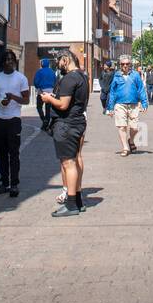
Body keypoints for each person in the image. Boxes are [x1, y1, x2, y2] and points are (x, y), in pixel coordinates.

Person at [40, 51, 89, 216]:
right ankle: (78, 200)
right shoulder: (82, 77)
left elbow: (63, 105)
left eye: (58, 61)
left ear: (66, 60)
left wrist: (48, 99)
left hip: (66, 125)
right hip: (77, 122)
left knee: (68, 163)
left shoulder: (69, 78)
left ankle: (71, 204)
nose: (57, 64)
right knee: (74, 161)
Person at [0, 49, 29, 197]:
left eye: (11, 59)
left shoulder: (21, 78)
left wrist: (13, 97)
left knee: (14, 153)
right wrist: (0, 102)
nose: (8, 62)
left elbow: (26, 100)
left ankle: (14, 184)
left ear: (15, 61)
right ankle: (4, 183)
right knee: (1, 153)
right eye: (6, 59)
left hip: (14, 120)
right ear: (2, 62)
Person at [106, 54, 147, 155]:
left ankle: (131, 140)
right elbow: (112, 92)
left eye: (127, 64)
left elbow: (141, 89)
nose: (125, 65)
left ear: (130, 64)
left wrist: (144, 103)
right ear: (120, 65)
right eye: (123, 64)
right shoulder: (116, 76)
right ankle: (125, 148)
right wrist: (110, 107)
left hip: (134, 104)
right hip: (120, 104)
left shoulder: (135, 75)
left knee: (134, 127)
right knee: (121, 126)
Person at [32, 56, 57, 130]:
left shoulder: (39, 71)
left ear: (42, 64)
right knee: (48, 109)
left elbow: (36, 82)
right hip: (50, 92)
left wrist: (38, 87)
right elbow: (55, 81)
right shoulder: (52, 72)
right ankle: (46, 122)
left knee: (39, 107)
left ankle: (44, 120)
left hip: (41, 92)